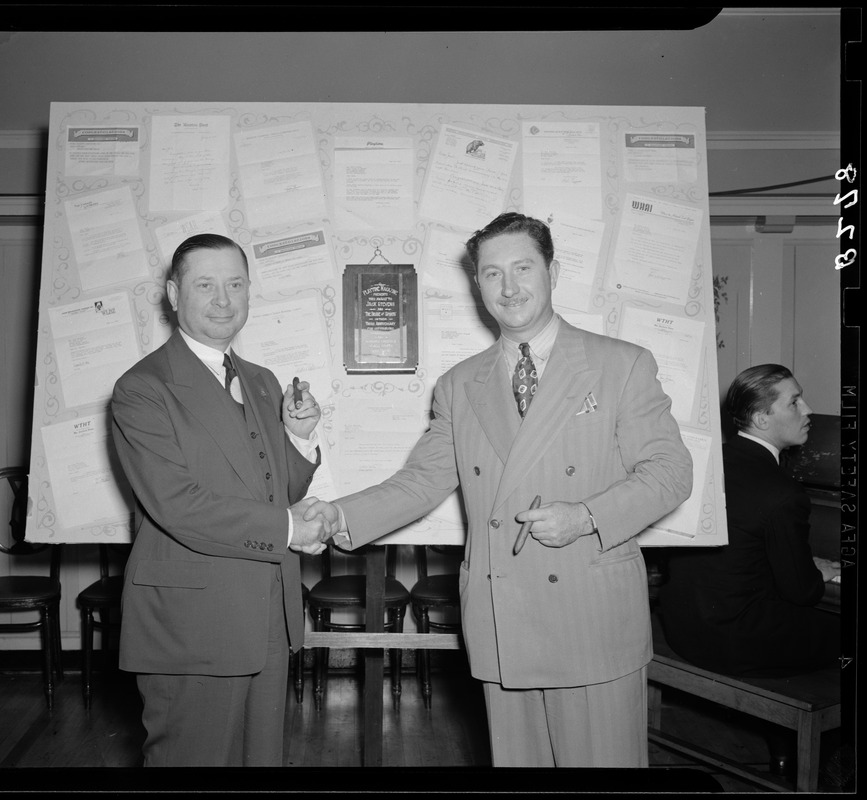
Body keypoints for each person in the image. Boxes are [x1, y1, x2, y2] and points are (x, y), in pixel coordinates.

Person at [305, 212, 693, 767]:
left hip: (590, 615)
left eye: (522, 268)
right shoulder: (460, 384)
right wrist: (335, 515)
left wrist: (584, 515)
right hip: (503, 615)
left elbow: (671, 472)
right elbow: (421, 481)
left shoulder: (620, 365)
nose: (509, 288)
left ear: (553, 271)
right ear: (477, 284)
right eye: (491, 274)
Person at [110, 233, 332, 767]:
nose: (223, 300)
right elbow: (178, 506)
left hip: (268, 616)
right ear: (172, 293)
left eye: (235, 284)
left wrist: (299, 439)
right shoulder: (142, 388)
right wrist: (290, 529)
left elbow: (276, 492)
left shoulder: (261, 380)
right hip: (194, 624)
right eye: (205, 285)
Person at [659, 364, 841, 677]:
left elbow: (741, 554)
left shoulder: (705, 464)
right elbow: (802, 592)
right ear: (761, 419)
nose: (809, 410)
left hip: (684, 628)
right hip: (735, 640)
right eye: (794, 402)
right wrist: (813, 573)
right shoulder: (783, 492)